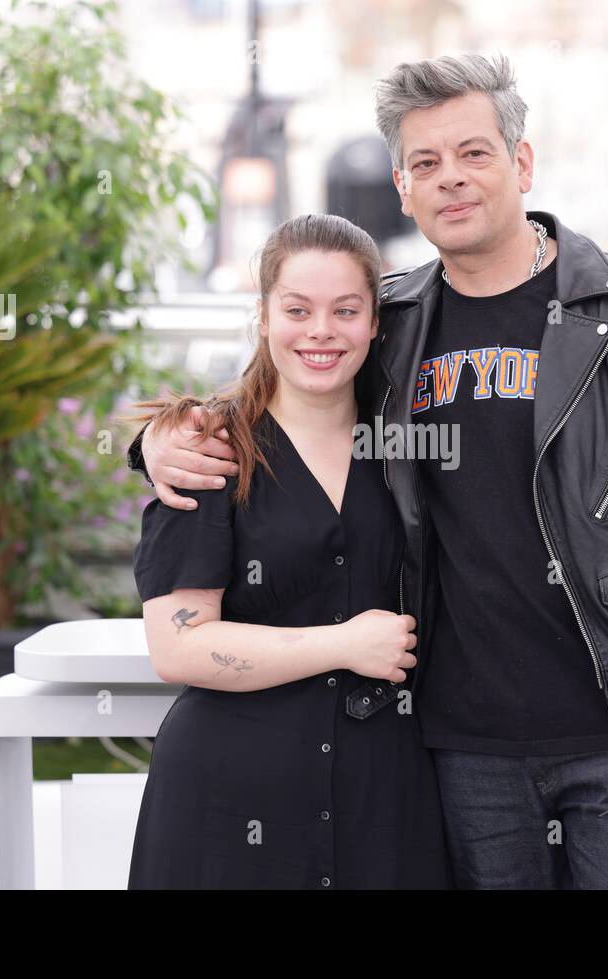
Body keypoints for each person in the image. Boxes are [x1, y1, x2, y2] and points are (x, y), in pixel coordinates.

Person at [127, 53, 608, 889]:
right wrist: (162, 439)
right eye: (425, 162)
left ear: (521, 162)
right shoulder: (395, 320)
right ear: (401, 186)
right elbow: (293, 374)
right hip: (461, 750)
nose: (450, 179)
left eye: (473, 153)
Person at [124, 213, 451, 889]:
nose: (321, 331)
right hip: (228, 802)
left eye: (346, 310)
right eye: (298, 309)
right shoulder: (210, 450)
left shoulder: (410, 446)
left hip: (384, 804)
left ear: (375, 322)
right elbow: (177, 647)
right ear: (265, 316)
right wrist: (341, 644)